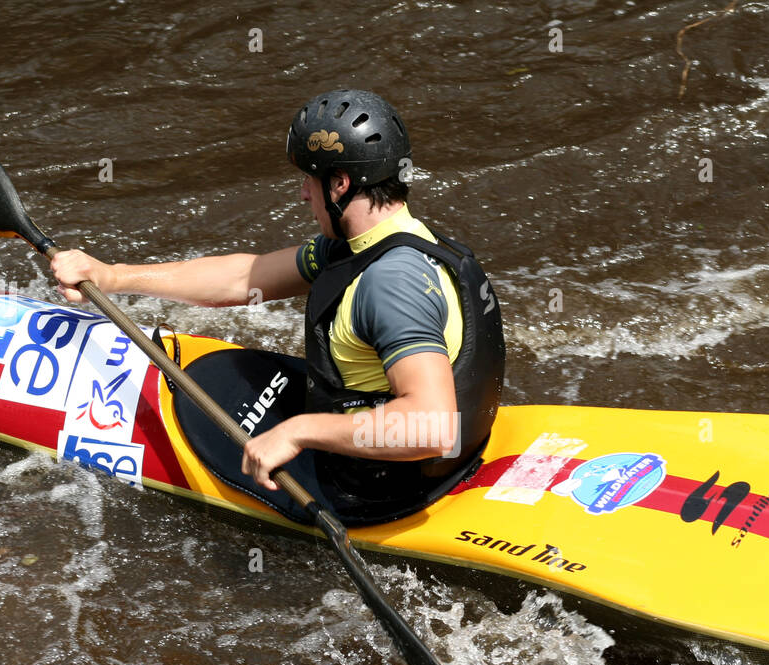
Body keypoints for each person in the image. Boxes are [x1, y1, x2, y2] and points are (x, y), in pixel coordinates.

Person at [51, 89, 504, 522]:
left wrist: (297, 431)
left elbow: (431, 426)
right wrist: (113, 277)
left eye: (309, 179)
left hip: (377, 487)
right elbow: (244, 278)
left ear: (340, 184)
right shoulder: (386, 242)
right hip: (455, 459)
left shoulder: (389, 284)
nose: (303, 194)